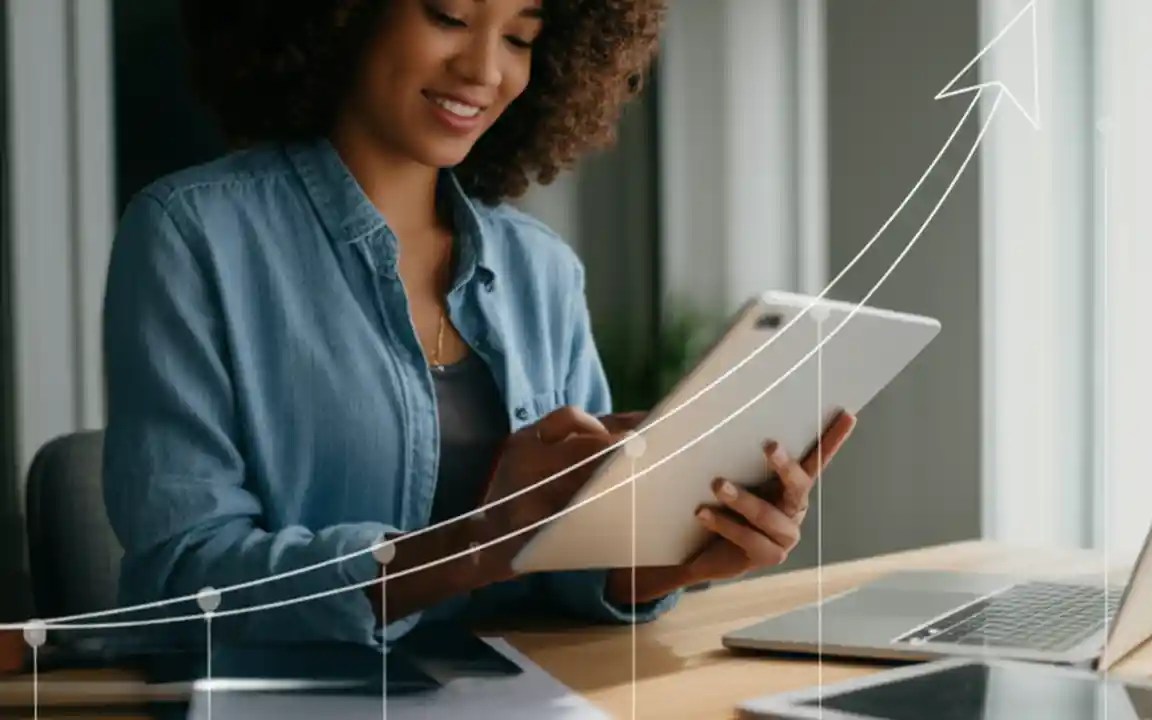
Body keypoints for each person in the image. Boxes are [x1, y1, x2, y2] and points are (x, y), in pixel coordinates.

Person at [102, 0, 857, 647]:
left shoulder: (541, 269)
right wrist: (471, 545)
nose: (484, 70)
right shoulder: (192, 234)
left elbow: (562, 564)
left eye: (520, 38)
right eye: (450, 16)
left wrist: (679, 559)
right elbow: (183, 579)